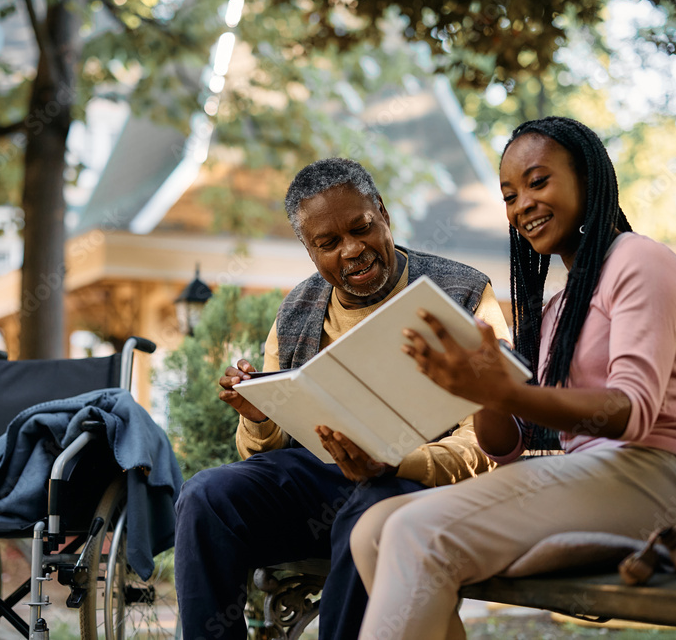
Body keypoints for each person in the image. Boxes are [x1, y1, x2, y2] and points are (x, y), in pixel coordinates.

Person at [349, 116, 676, 640]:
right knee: (373, 530)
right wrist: (480, 394)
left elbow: (632, 412)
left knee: (413, 531)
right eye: (510, 196)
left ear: (588, 177)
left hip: (657, 478)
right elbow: (506, 447)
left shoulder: (640, 261)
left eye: (538, 182)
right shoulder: (560, 305)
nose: (522, 206)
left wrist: (507, 390)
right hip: (594, 476)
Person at [174, 157, 511, 640]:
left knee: (367, 512)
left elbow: (486, 443)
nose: (352, 250)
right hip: (321, 485)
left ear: (384, 214)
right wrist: (260, 418)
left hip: (414, 485)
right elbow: (260, 456)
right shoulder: (296, 309)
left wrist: (397, 463)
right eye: (328, 244)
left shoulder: (462, 293)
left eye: (361, 228)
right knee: (207, 495)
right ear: (309, 251)